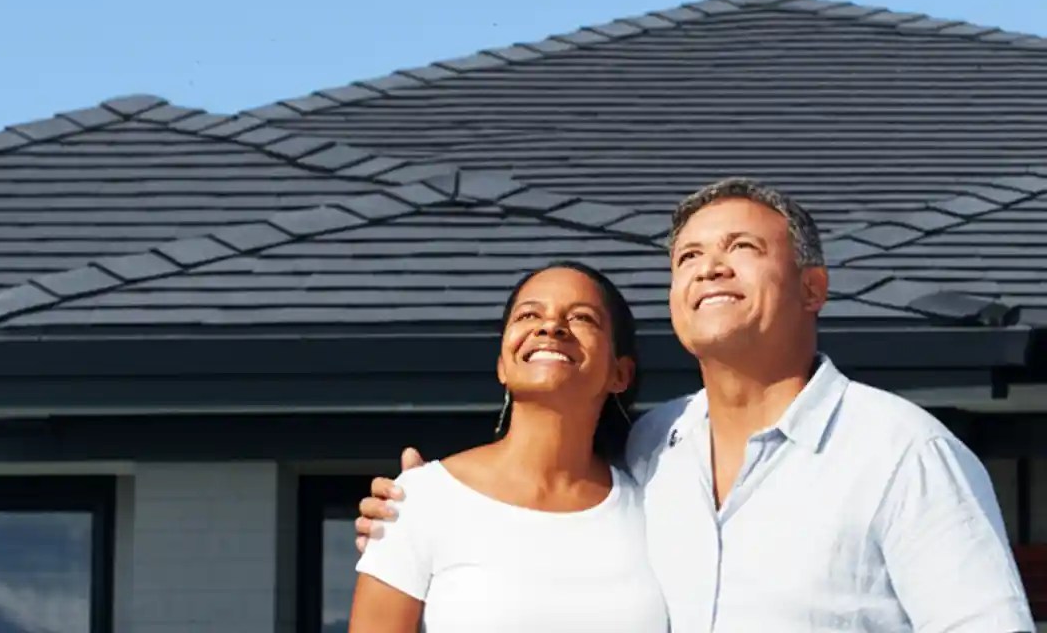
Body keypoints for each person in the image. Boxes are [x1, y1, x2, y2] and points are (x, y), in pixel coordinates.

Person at [355, 178, 1033, 632]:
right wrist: (417, 508)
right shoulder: (653, 447)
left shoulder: (903, 455)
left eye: (742, 249)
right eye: (689, 257)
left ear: (812, 288)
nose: (710, 268)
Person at [348, 261, 669, 632]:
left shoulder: (654, 510)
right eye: (530, 314)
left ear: (621, 374)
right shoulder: (420, 499)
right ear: (502, 365)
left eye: (582, 318)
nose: (550, 326)